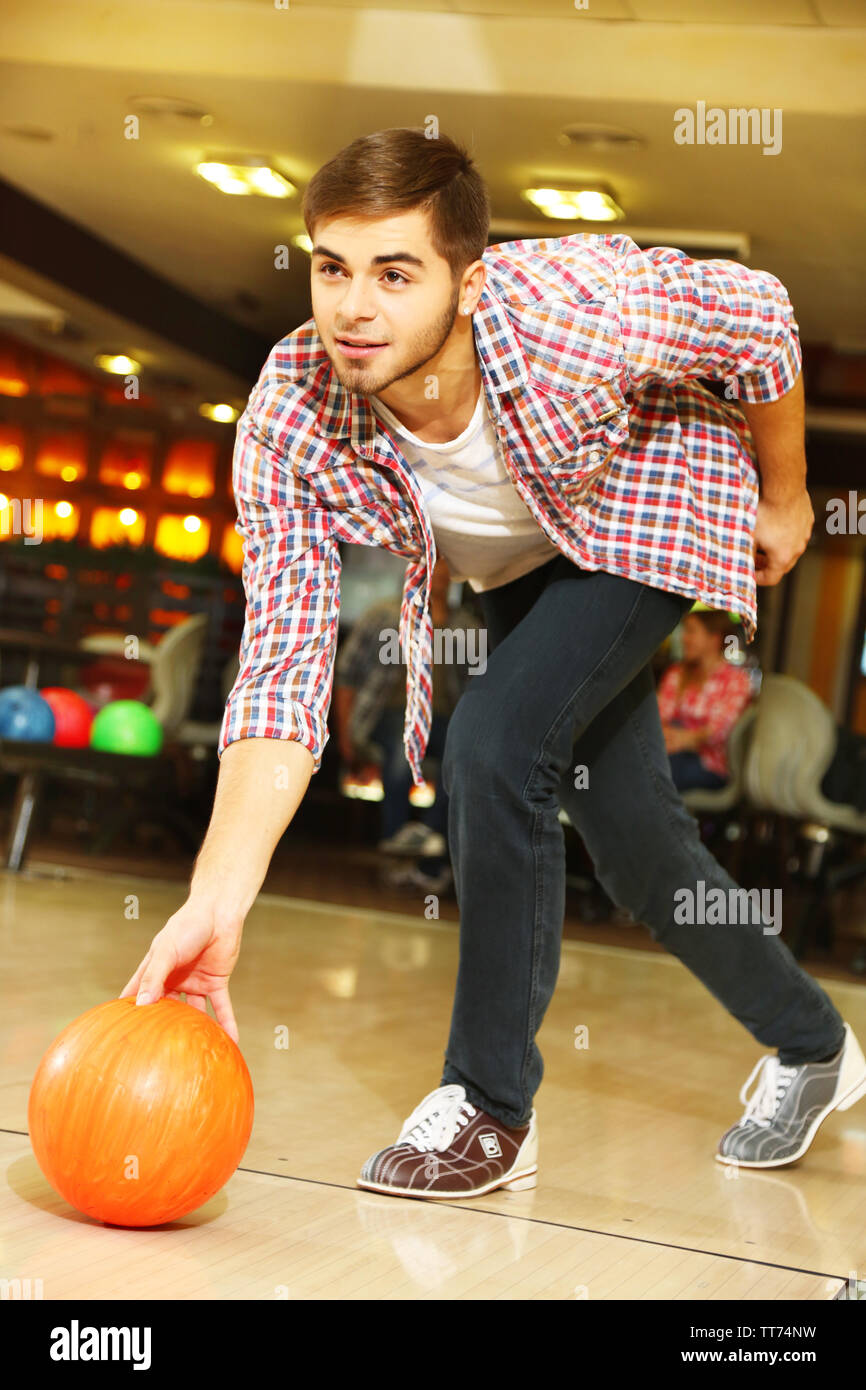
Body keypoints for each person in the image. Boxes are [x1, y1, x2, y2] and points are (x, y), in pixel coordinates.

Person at [121, 128, 866, 1199]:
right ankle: (815, 1046)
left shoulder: (572, 310)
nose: (351, 308)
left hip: (645, 510)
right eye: (331, 268)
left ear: (467, 283)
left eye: (393, 273)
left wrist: (786, 494)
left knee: (492, 743)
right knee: (635, 847)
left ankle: (487, 1104)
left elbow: (760, 317)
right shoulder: (290, 417)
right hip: (519, 560)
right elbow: (281, 671)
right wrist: (214, 900)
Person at [333, 557, 480, 893]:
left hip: (445, 721)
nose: (436, 573)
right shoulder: (382, 616)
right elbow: (347, 674)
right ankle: (397, 856)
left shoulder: (467, 628)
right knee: (401, 760)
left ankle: (429, 858)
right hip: (390, 716)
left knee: (458, 767)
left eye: (444, 566)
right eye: (429, 564)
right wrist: (345, 734)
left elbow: (480, 690)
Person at [657, 608, 753, 791]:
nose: (684, 638)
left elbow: (719, 731)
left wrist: (684, 739)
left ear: (713, 639)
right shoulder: (676, 673)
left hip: (710, 765)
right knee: (648, 766)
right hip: (669, 751)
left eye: (691, 631)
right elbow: (659, 716)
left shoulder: (736, 681)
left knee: (661, 773)